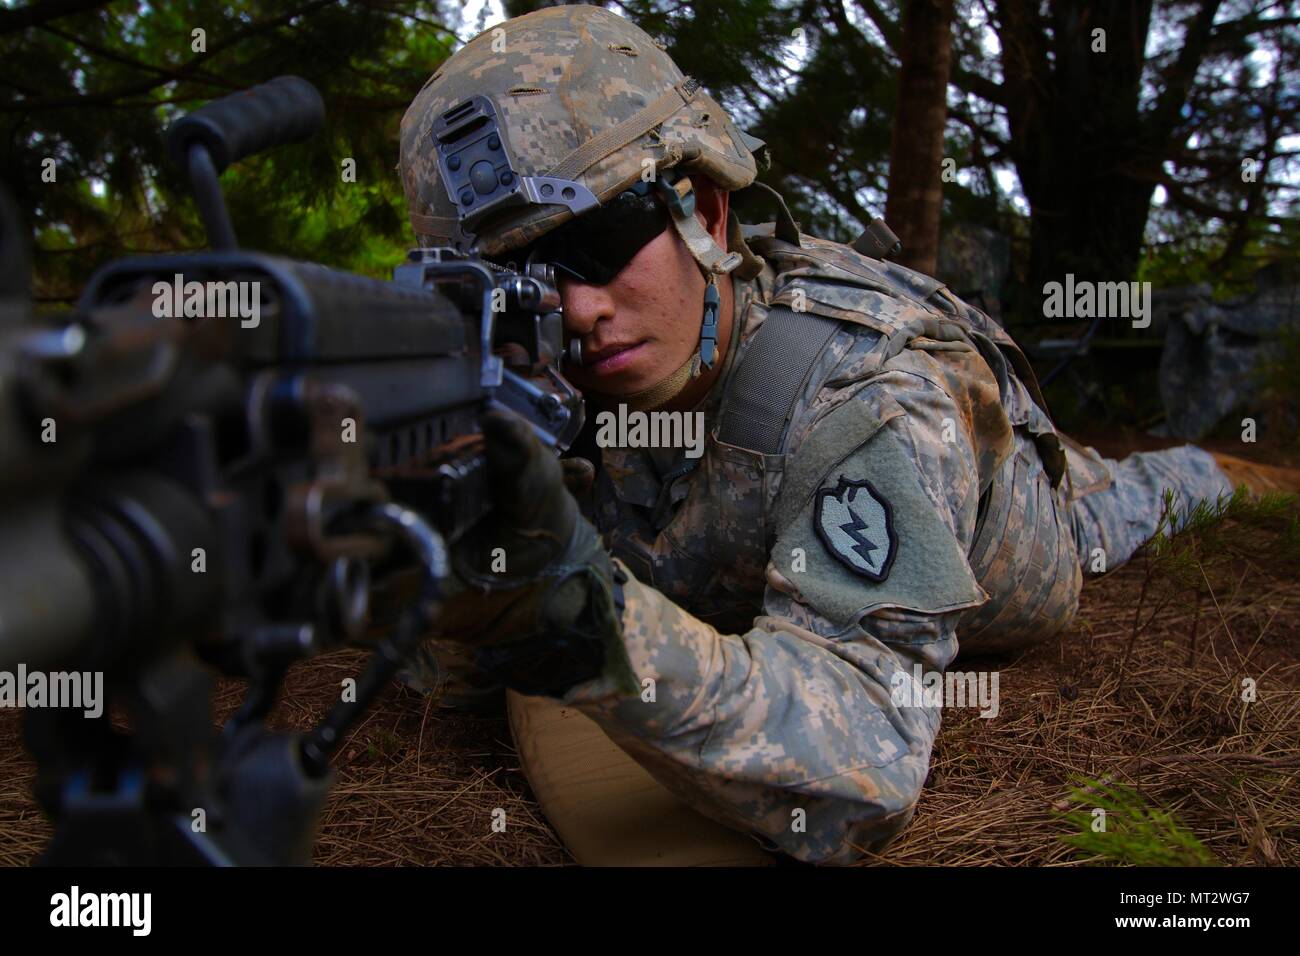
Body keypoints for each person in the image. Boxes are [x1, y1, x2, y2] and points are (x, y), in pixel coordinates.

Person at [389, 5, 1275, 865]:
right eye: (524, 276)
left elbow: (859, 766)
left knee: (1129, 503)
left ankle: (1213, 469)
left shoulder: (867, 396)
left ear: (703, 207)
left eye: (604, 238)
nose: (576, 310)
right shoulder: (536, 380)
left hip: (1023, 524)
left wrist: (570, 615)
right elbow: (459, 666)